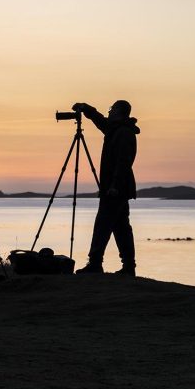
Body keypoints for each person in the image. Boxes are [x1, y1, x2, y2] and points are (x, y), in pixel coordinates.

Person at [72, 100, 140, 276]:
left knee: (103, 224)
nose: (108, 112)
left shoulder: (123, 133)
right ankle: (128, 267)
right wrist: (87, 109)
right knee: (121, 227)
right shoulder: (115, 129)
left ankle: (95, 264)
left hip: (116, 188)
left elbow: (124, 161)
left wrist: (115, 186)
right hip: (116, 187)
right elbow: (101, 121)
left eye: (111, 109)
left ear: (118, 111)